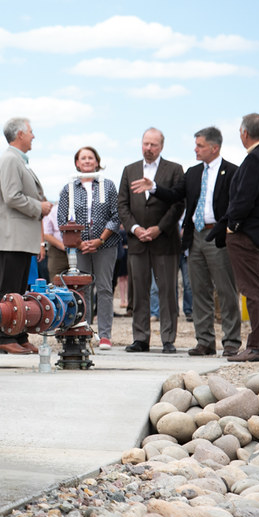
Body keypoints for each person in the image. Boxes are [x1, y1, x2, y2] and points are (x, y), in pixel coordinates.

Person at [130, 126, 242, 358]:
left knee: (225, 290)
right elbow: (175, 195)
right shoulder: (192, 173)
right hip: (195, 237)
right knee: (198, 290)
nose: (195, 149)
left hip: (218, 236)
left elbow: (236, 205)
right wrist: (155, 188)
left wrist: (228, 230)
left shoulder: (232, 172)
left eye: (200, 145)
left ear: (214, 147)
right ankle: (205, 341)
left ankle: (231, 341)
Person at [216, 113, 259, 362]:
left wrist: (232, 225)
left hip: (247, 233)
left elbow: (244, 198)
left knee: (253, 289)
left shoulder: (255, 158)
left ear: (245, 133)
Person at [117, 127, 185, 353]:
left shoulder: (174, 170)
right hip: (137, 242)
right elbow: (122, 205)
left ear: (161, 146)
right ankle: (141, 338)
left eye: (153, 144)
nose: (148, 148)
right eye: (145, 143)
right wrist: (135, 229)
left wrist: (159, 228)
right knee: (139, 291)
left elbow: (178, 203)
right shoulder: (130, 170)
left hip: (164, 241)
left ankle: (168, 339)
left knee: (167, 292)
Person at [0, 117, 51, 355]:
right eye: (31, 132)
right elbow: (12, 196)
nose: (33, 136)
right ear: (19, 135)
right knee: (10, 290)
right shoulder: (9, 160)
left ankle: (18, 334)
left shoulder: (17, 160)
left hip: (19, 238)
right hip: (11, 237)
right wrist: (40, 207)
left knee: (20, 290)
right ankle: (5, 337)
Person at [57, 146, 121, 350]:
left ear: (96, 161)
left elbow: (116, 215)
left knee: (104, 288)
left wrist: (100, 240)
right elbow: (62, 219)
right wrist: (78, 242)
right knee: (82, 288)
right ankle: (84, 329)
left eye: (90, 158)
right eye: (82, 158)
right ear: (77, 163)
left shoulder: (108, 185)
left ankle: (104, 336)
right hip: (79, 248)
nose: (86, 161)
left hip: (105, 245)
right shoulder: (68, 188)